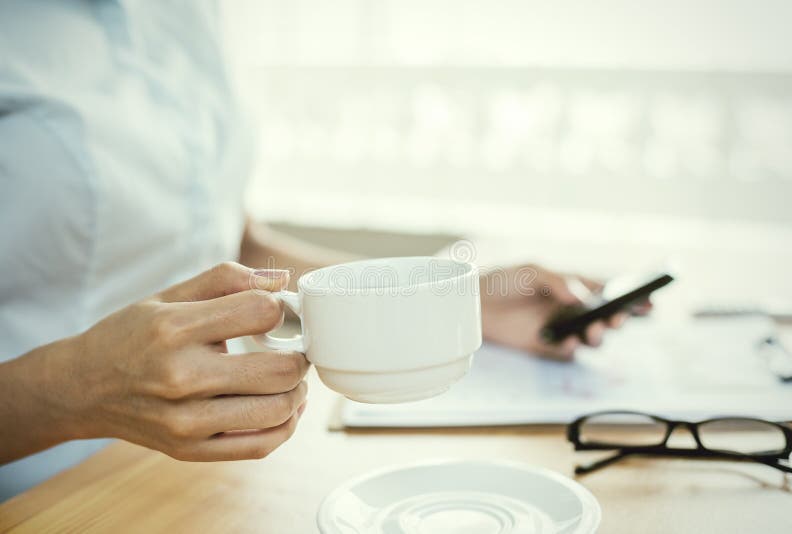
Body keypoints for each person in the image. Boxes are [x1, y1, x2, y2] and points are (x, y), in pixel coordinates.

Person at [0, 1, 628, 500]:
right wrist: (74, 386)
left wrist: (454, 298)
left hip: (204, 480)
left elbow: (226, 238)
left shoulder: (186, 12)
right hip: (41, 493)